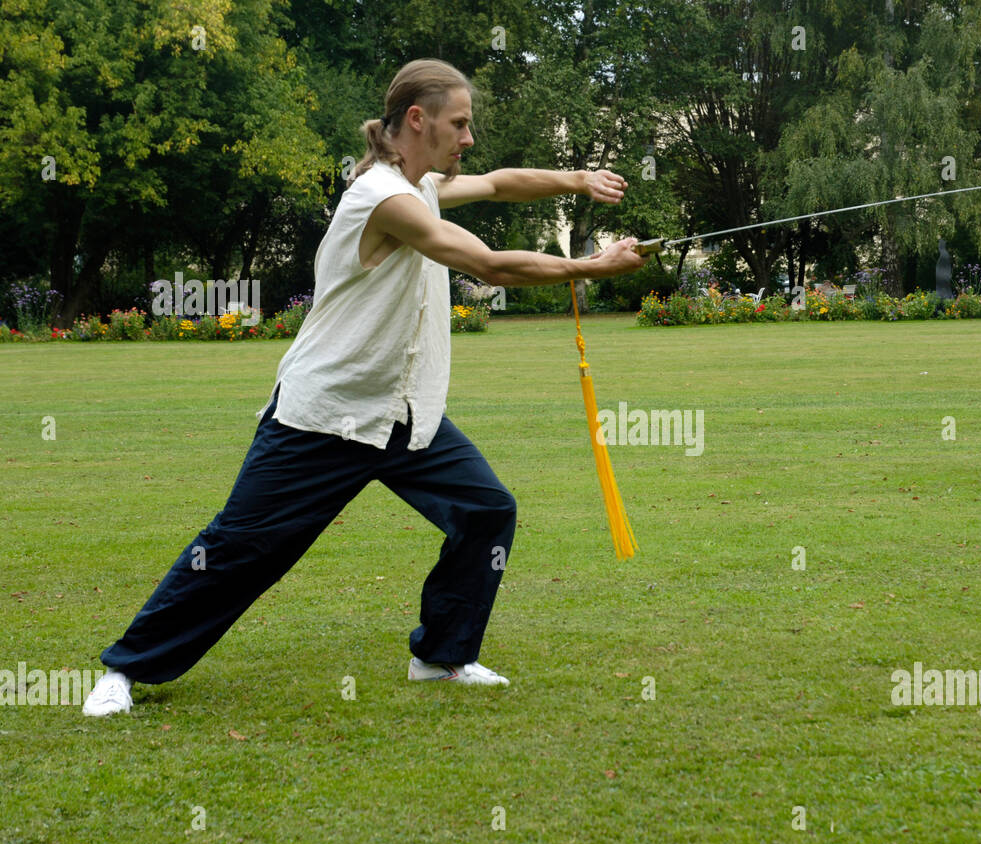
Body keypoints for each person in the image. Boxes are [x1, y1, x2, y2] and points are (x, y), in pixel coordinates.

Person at [83, 58, 647, 716]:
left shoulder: (423, 184)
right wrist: (592, 267)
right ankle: (125, 669)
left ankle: (441, 656)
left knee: (487, 509)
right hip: (324, 415)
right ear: (418, 119)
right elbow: (484, 263)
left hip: (402, 413)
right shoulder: (382, 197)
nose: (468, 138)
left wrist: (577, 179)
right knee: (239, 547)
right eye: (459, 124)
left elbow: (497, 184)